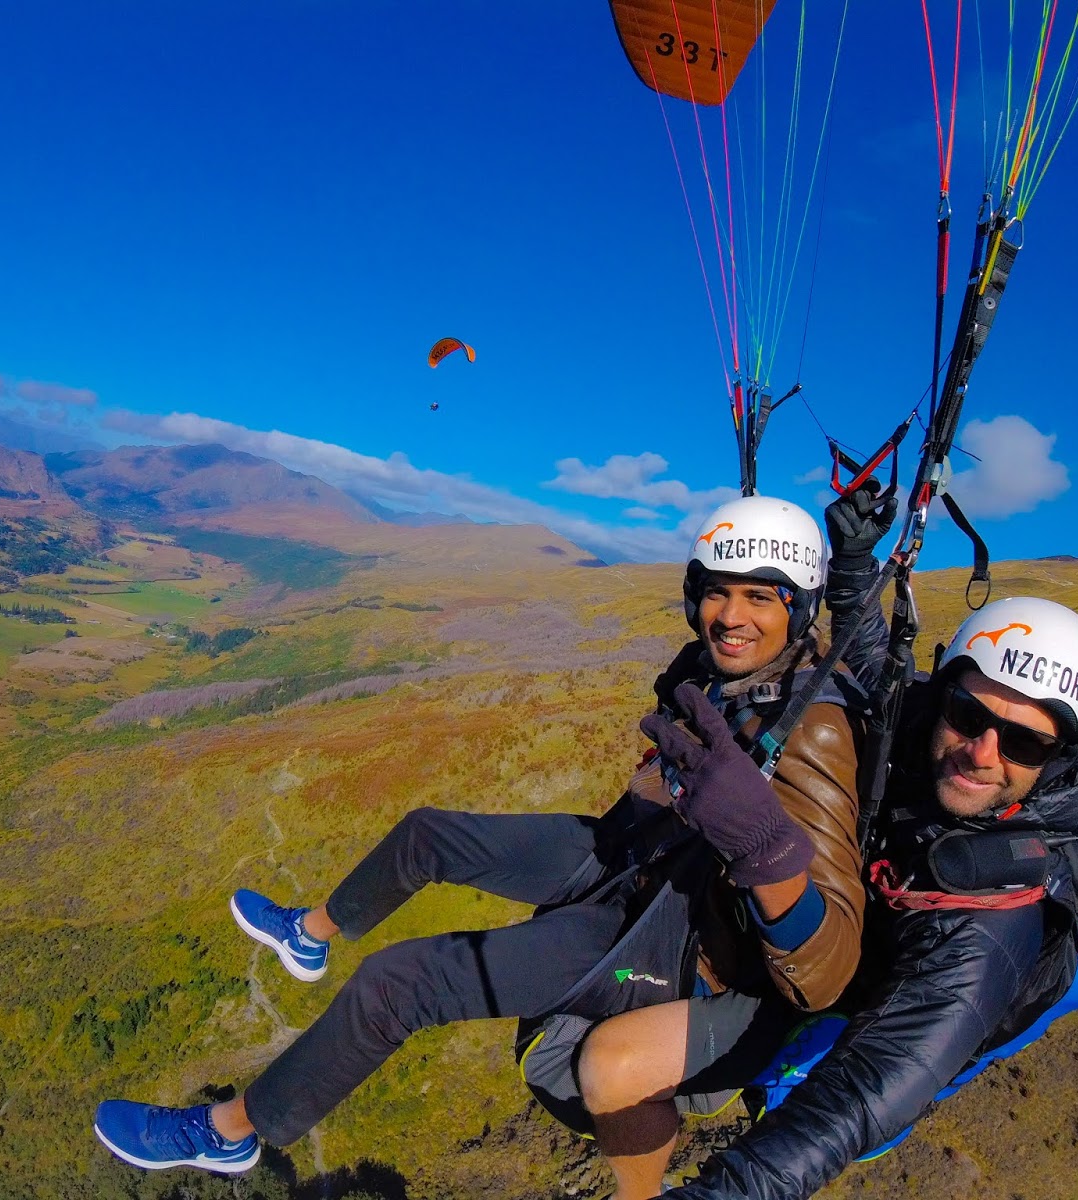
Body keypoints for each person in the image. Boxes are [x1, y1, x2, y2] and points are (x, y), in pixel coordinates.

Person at [92, 492, 895, 1186]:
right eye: (718, 593)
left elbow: (826, 969)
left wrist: (759, 845)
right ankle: (309, 935)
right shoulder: (726, 669)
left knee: (400, 982)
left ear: (798, 609)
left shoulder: (813, 729)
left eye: (762, 597)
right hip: (634, 853)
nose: (733, 616)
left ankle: (232, 1134)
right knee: (428, 835)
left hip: (672, 937)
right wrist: (854, 568)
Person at [601, 594, 1078, 1200]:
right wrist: (852, 581)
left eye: (1025, 745)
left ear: (1058, 763)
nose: (981, 753)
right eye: (968, 715)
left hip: (911, 1001)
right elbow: (883, 678)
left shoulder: (993, 929)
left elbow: (864, 1092)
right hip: (880, 919)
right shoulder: (927, 724)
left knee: (785, 1087)